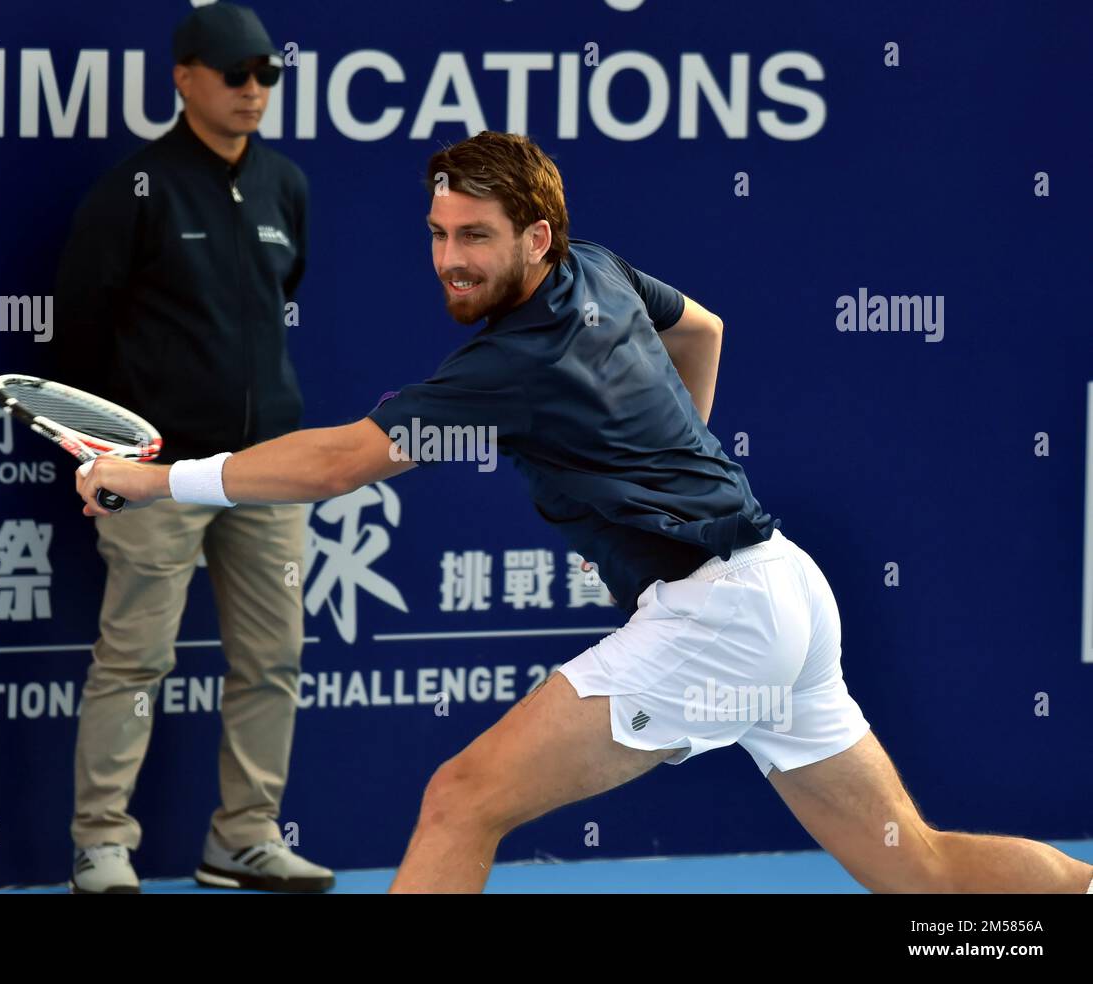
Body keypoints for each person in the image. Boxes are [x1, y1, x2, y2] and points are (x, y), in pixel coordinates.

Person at [72, 131, 1093, 895]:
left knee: (458, 801)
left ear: (535, 236)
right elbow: (703, 327)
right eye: (436, 235)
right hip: (784, 587)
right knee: (913, 871)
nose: (450, 259)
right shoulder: (598, 269)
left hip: (721, 618)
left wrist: (160, 481)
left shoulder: (510, 363)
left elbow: (338, 463)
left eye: (475, 236)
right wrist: (673, 455)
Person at [54, 2, 333, 894]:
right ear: (185, 78)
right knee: (134, 658)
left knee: (274, 658)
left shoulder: (286, 183)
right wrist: (106, 459)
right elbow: (79, 338)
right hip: (156, 477)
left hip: (266, 469)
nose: (253, 90)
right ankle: (103, 844)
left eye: (266, 75)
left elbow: (282, 293)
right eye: (233, 73)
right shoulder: (133, 190)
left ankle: (243, 839)